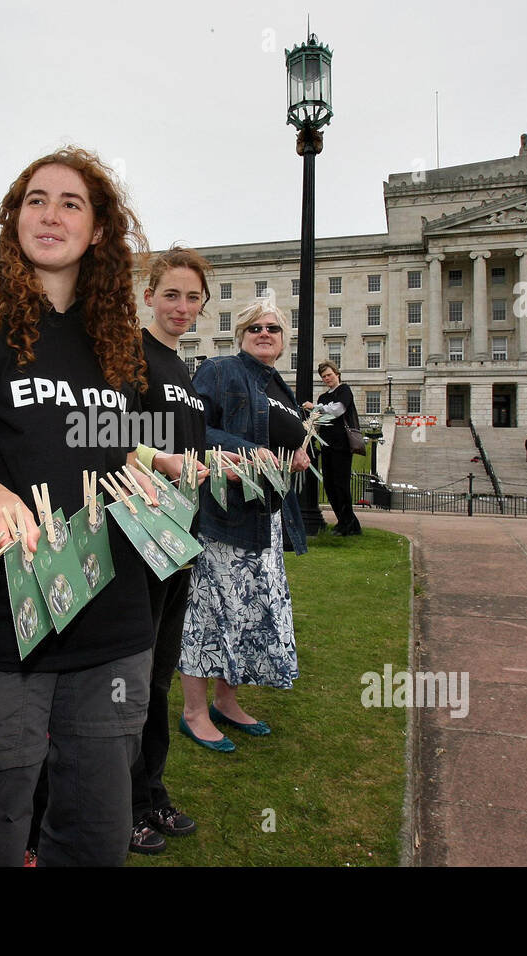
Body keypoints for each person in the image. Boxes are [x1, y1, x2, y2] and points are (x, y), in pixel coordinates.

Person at [0, 147, 155, 867]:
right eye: (34, 199)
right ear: (13, 219)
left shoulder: (118, 343)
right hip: (5, 624)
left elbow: (119, 452)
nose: (49, 214)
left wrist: (148, 477)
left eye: (70, 203)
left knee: (95, 835)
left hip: (114, 624)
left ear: (97, 232)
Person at [179, 297, 309, 753]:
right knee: (208, 615)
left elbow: (284, 441)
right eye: (254, 327)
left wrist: (297, 455)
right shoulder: (218, 371)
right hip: (222, 517)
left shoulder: (277, 385)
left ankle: (226, 702)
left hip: (265, 521)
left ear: (283, 339)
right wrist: (247, 450)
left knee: (248, 617)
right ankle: (194, 713)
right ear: (241, 335)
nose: (264, 333)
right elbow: (191, 430)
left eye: (272, 328)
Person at [127, 247, 212, 855]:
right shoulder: (130, 356)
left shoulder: (185, 372)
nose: (181, 307)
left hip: (181, 540)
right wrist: (162, 459)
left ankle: (153, 792)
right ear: (149, 295)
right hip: (139, 537)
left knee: (159, 676)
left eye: (192, 297)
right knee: (130, 682)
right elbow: (104, 433)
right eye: (172, 295)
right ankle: (125, 805)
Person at [306, 361, 360, 535]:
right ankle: (347, 522)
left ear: (337, 373)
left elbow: (337, 410)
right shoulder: (323, 398)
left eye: (329, 375)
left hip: (342, 445)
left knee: (341, 484)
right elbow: (318, 420)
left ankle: (347, 524)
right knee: (329, 485)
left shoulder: (344, 391)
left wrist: (315, 407)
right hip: (327, 445)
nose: (327, 378)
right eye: (324, 377)